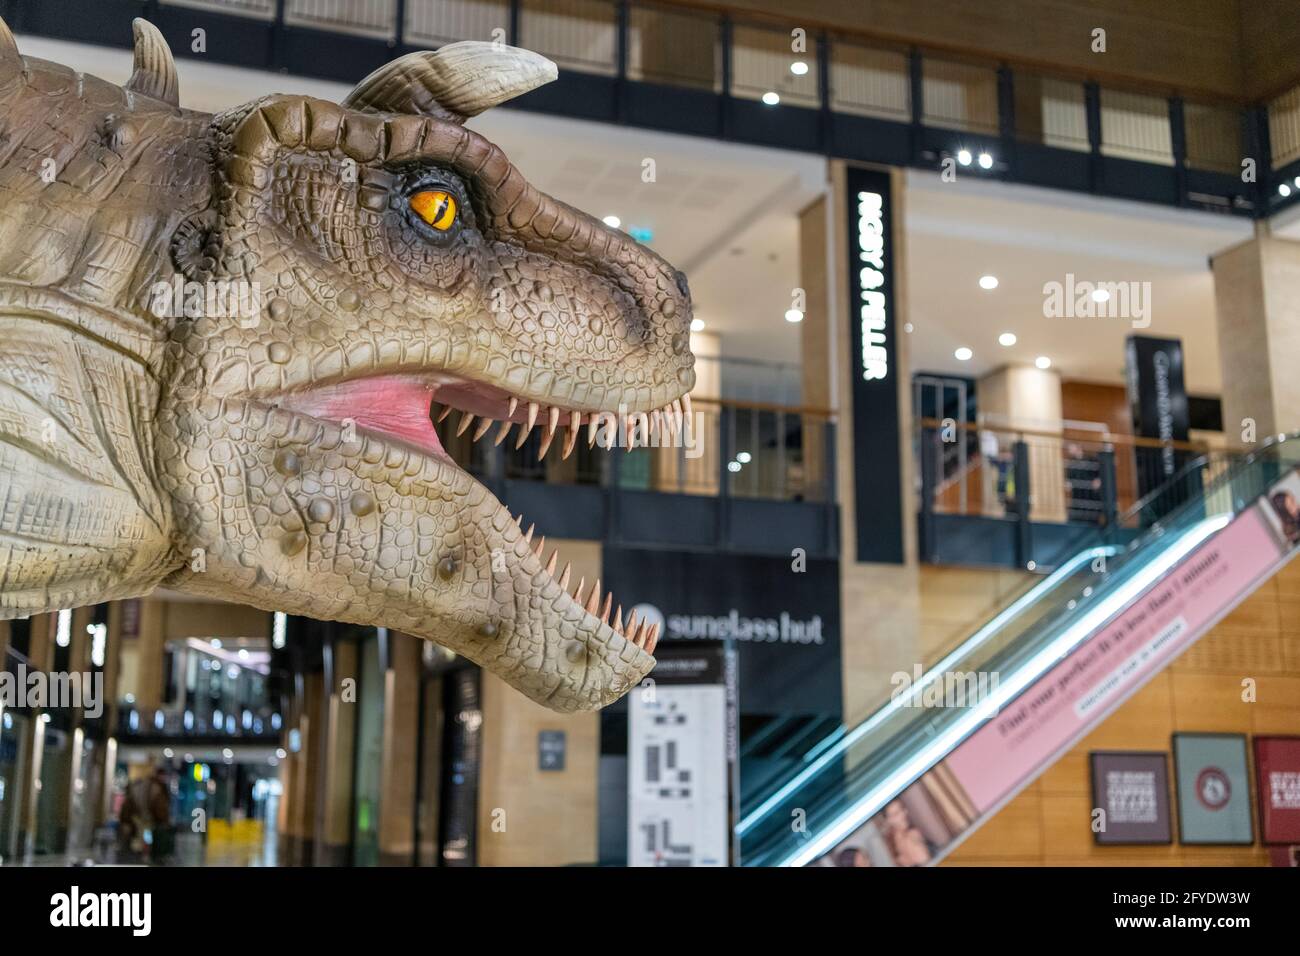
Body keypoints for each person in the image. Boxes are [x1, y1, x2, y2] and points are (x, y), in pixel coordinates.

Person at [117, 766, 174, 863]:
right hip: (146, 819)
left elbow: (127, 806)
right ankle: (145, 855)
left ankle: (142, 854)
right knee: (146, 837)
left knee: (142, 838)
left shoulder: (141, 786)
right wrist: (165, 821)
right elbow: (160, 808)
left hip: (138, 818)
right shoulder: (157, 788)